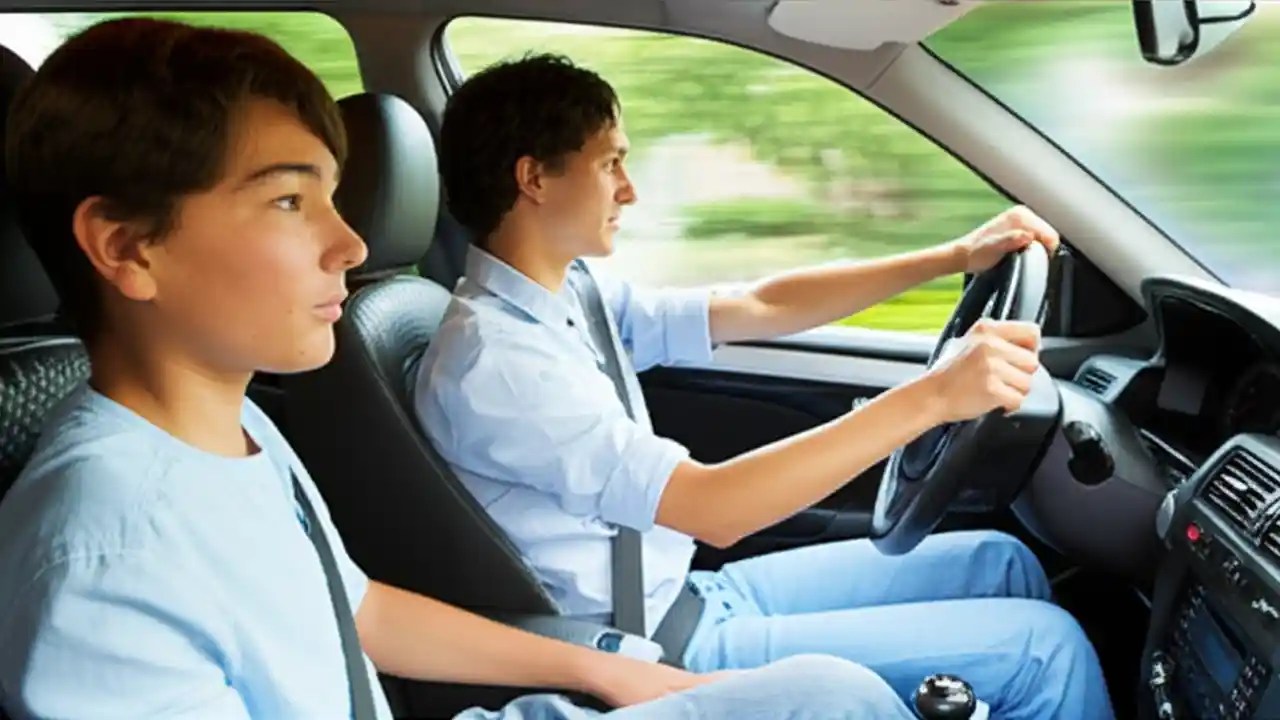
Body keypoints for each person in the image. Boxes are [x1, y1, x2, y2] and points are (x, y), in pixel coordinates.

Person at [0, 19, 918, 720]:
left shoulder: (236, 429)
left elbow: (350, 605)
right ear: (128, 248)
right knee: (830, 698)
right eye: (288, 200)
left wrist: (590, 664)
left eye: (334, 196)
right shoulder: (106, 558)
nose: (350, 243)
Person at [415, 53, 1116, 719]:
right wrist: (934, 396)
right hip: (654, 642)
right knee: (1046, 652)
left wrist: (955, 256)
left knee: (1002, 562)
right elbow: (714, 508)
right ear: (534, 178)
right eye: (611, 164)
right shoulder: (497, 363)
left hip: (695, 594)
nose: (629, 189)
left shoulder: (569, 293)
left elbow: (759, 306)